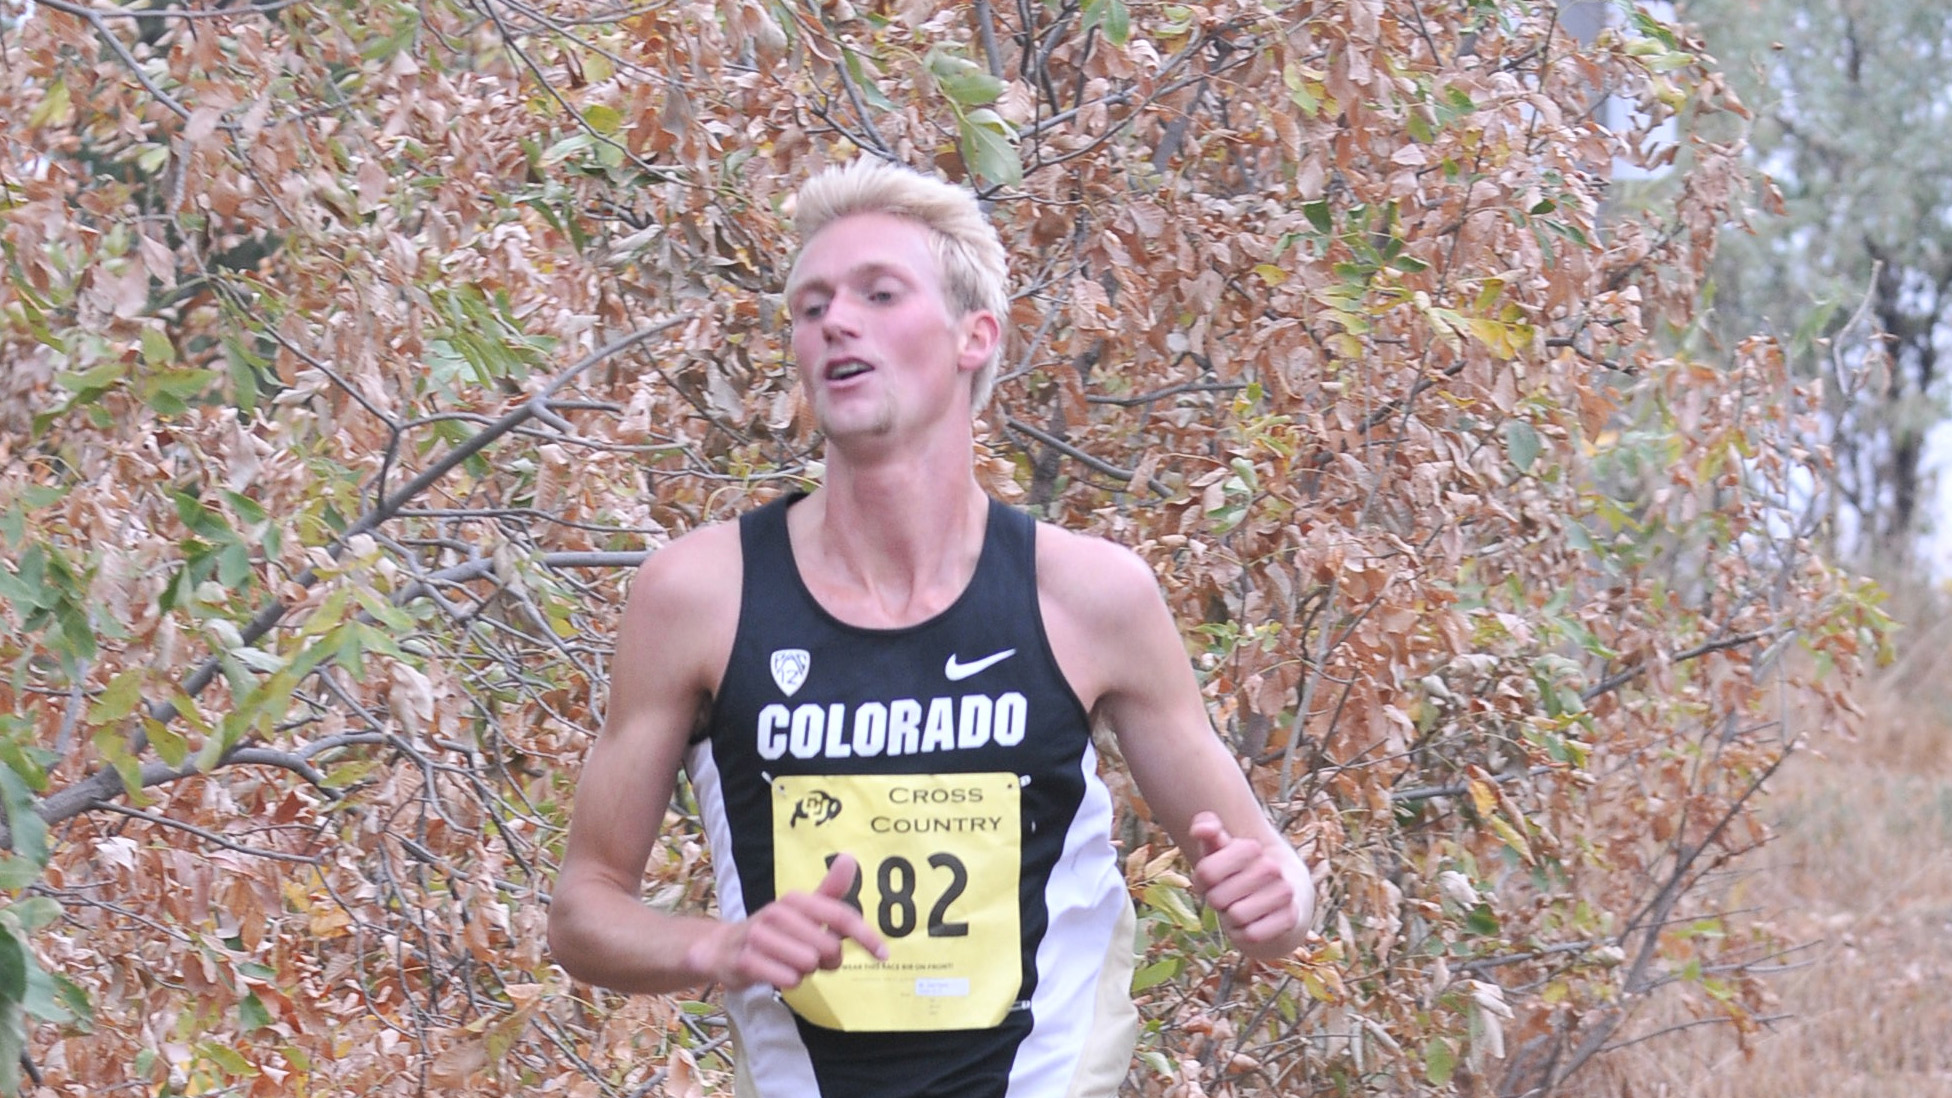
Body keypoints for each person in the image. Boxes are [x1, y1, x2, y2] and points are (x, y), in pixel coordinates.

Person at [548, 157, 1314, 1098]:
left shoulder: (1090, 596)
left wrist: (1279, 901)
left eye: (879, 292)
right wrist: (722, 944)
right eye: (812, 304)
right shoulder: (700, 596)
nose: (836, 320)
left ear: (972, 336)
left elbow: (1268, 876)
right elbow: (584, 910)